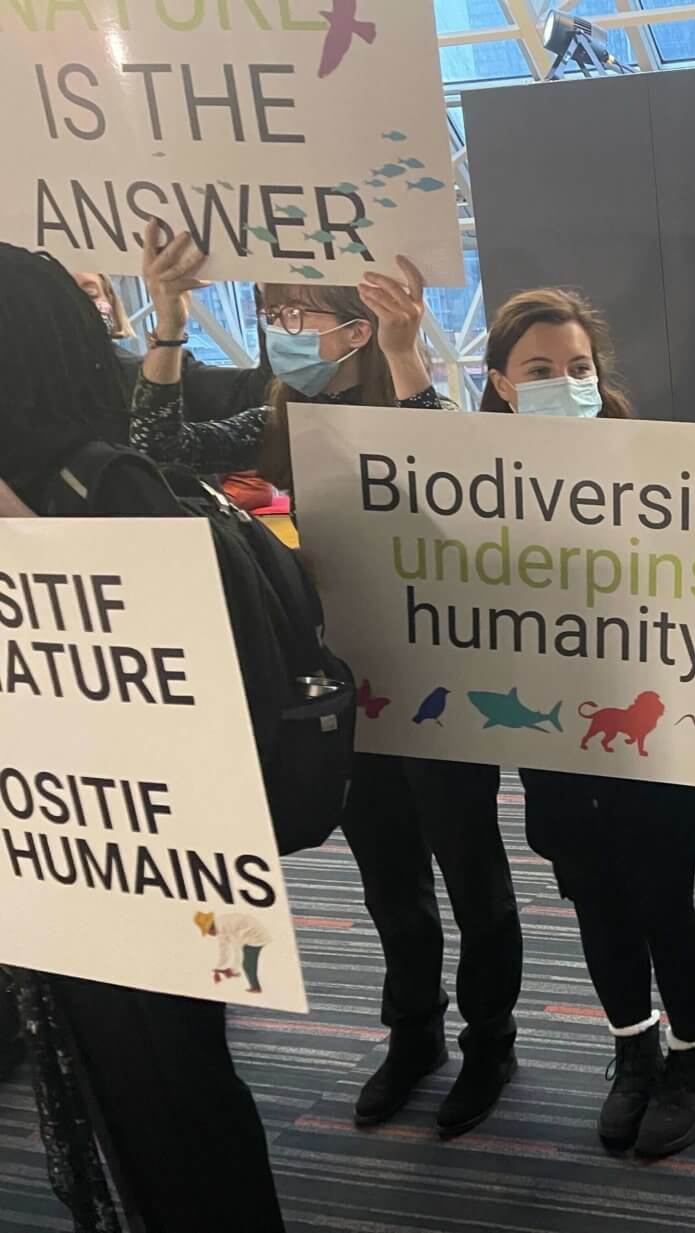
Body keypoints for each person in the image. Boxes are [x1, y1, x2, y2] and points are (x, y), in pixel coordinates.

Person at [133, 224, 525, 1138]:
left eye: (296, 312)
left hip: (441, 684)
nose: (279, 328)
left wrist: (407, 352)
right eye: (269, 312)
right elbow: (156, 444)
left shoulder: (409, 398)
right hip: (343, 689)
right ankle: (414, 1033)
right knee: (389, 878)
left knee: (474, 876)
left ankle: (491, 1043)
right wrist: (167, 320)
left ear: (352, 328)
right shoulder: (278, 414)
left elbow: (444, 476)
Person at [0, 241, 284, 1230]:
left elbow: (211, 662)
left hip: (152, 842)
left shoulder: (97, 481)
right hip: (59, 838)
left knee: (173, 1086)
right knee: (131, 1087)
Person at [481, 288, 695, 1158]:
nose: (565, 382)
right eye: (541, 370)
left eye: (579, 368)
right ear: (502, 386)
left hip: (660, 738)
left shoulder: (662, 467)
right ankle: (633, 1049)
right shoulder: (476, 483)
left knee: (666, 901)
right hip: (557, 742)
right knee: (597, 904)